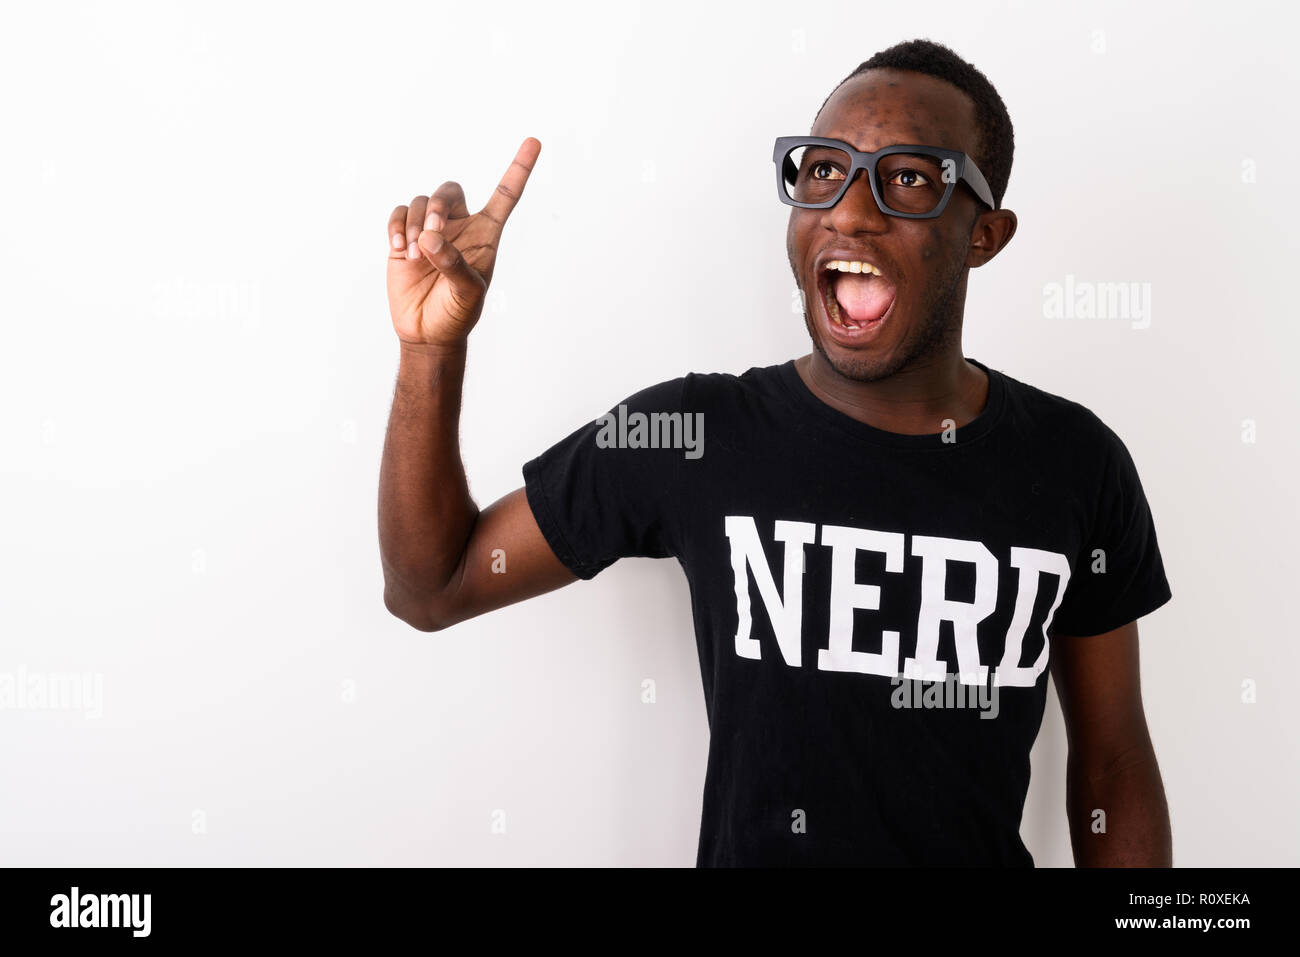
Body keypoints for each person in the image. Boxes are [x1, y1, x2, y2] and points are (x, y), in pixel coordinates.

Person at [377, 38, 1173, 867]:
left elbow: (1113, 762)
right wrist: (430, 352)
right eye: (822, 169)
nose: (852, 210)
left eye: (908, 177)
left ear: (985, 235)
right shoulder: (694, 432)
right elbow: (433, 586)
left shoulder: (1076, 463)